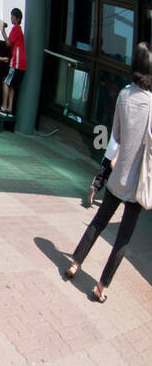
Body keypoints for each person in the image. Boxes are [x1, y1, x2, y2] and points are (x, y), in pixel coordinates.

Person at [63, 42, 152, 302]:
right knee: (123, 237)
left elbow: (117, 135)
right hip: (139, 183)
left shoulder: (124, 94)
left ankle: (75, 262)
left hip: (119, 173)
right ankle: (101, 286)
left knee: (99, 221)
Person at [0, 8, 27, 116]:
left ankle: (4, 107)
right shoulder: (19, 30)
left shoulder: (16, 28)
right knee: (12, 86)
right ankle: (9, 109)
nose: (11, 18)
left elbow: (8, 44)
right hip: (22, 64)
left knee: (5, 82)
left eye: (12, 16)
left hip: (16, 62)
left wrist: (2, 30)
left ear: (17, 18)